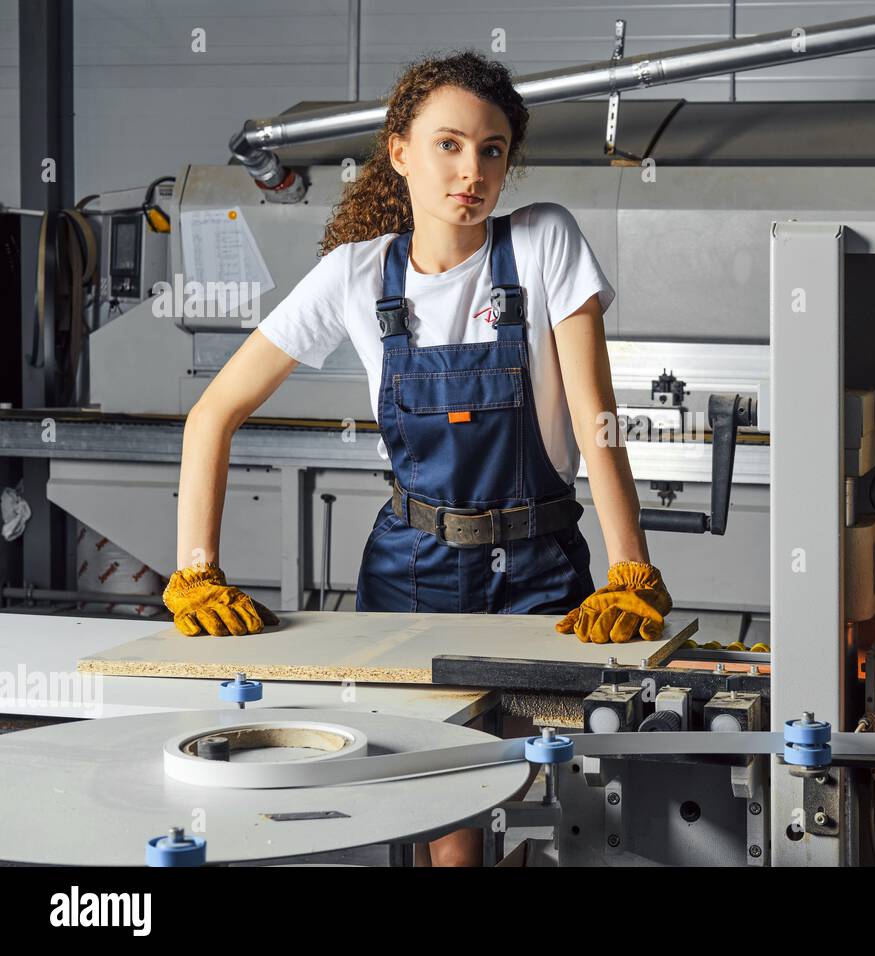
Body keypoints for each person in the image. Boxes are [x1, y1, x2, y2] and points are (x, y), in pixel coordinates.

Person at [161, 50, 674, 863]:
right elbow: (211, 414)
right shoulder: (354, 275)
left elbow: (596, 421)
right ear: (399, 151)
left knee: (568, 797)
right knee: (445, 808)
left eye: (493, 149)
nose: (472, 170)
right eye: (448, 144)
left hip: (538, 569)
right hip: (410, 572)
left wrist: (630, 571)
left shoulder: (544, 242)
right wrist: (197, 569)